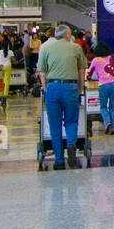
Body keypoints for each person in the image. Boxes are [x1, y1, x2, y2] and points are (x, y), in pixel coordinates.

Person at [36, 25, 88, 169]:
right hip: (70, 87)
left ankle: (59, 160)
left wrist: (46, 88)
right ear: (66, 35)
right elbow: (82, 71)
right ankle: (71, 143)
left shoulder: (46, 48)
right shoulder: (76, 48)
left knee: (55, 125)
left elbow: (41, 72)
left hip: (52, 87)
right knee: (71, 120)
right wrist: (79, 88)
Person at [88, 41, 114, 134]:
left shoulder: (95, 60)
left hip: (103, 85)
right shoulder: (113, 57)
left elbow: (89, 73)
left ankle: (107, 122)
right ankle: (113, 128)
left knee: (103, 107)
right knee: (112, 107)